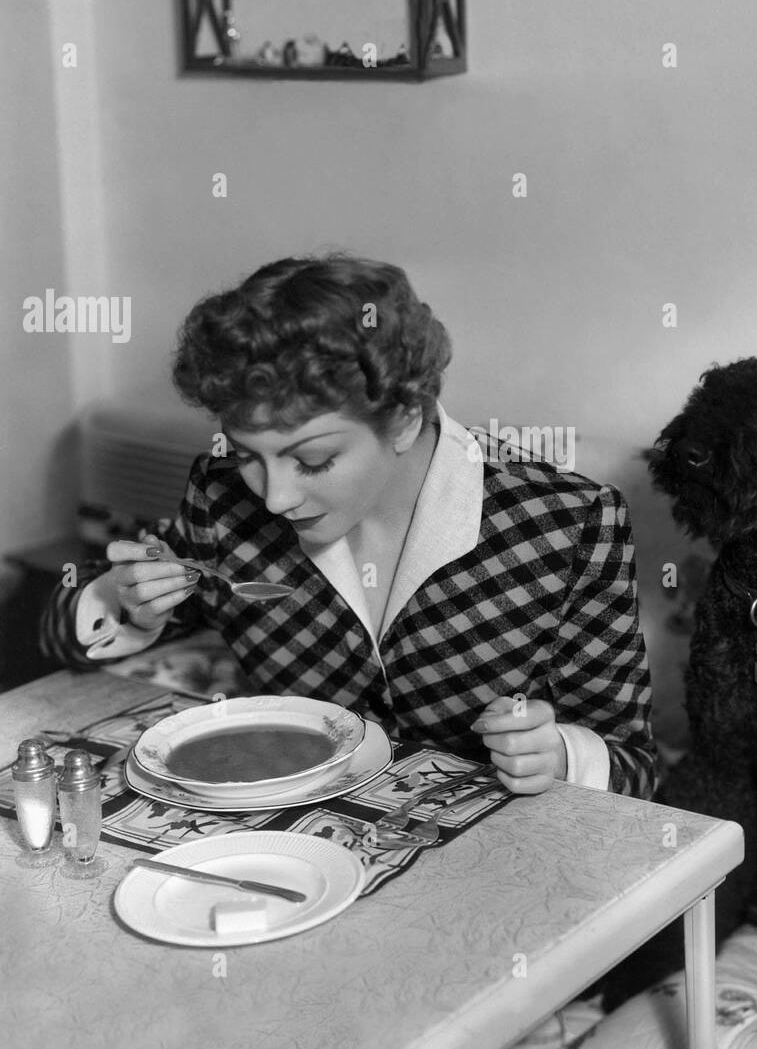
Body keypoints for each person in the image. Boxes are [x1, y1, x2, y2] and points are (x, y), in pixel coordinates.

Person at [40, 254, 656, 798]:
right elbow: (58, 630)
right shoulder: (224, 495)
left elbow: (636, 767)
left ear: (406, 420)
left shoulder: (568, 526)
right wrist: (125, 602)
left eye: (313, 460)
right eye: (251, 455)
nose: (275, 497)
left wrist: (560, 754)